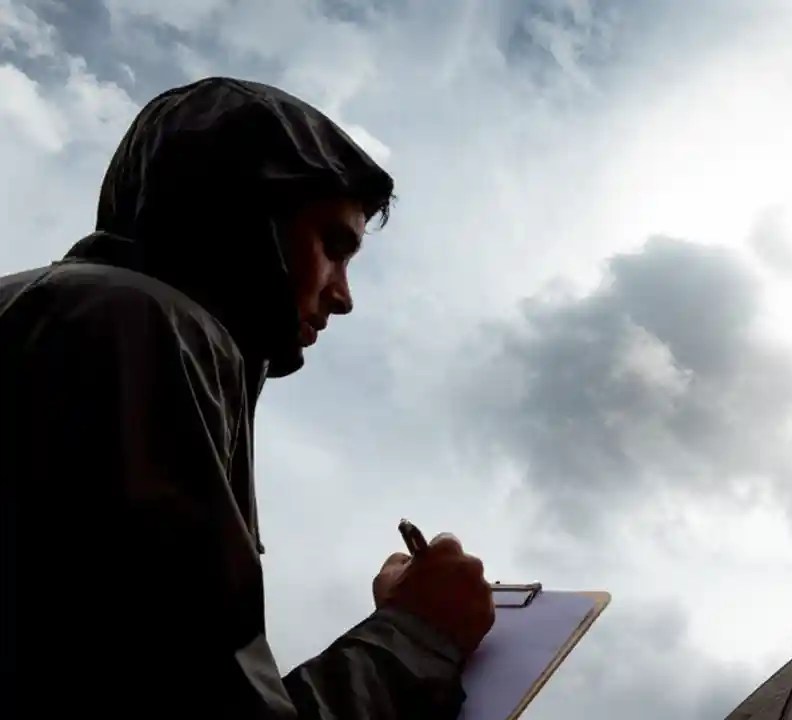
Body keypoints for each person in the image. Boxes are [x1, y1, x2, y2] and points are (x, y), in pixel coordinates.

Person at [0, 76, 495, 718]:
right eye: (333, 246)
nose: (344, 296)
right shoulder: (138, 325)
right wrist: (419, 636)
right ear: (239, 216)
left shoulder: (76, 312)